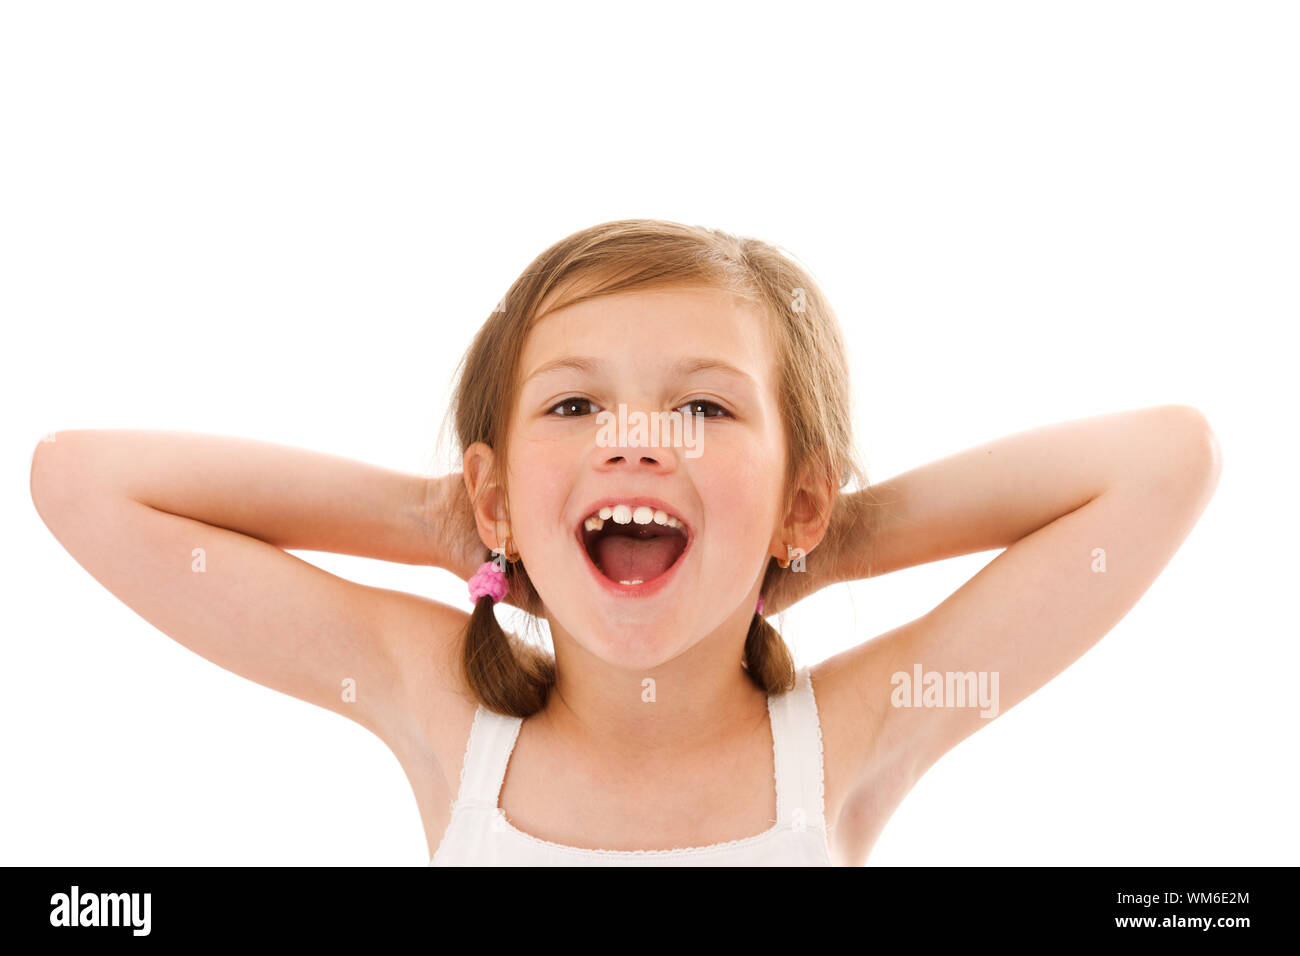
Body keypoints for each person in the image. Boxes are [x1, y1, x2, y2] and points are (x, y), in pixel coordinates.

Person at [29, 219, 1222, 865]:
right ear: (496, 496)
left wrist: (825, 539)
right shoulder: (450, 715)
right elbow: (82, 483)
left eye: (701, 408)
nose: (634, 441)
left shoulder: (844, 739)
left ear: (795, 498)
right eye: (572, 406)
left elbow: (1163, 463)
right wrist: (445, 522)